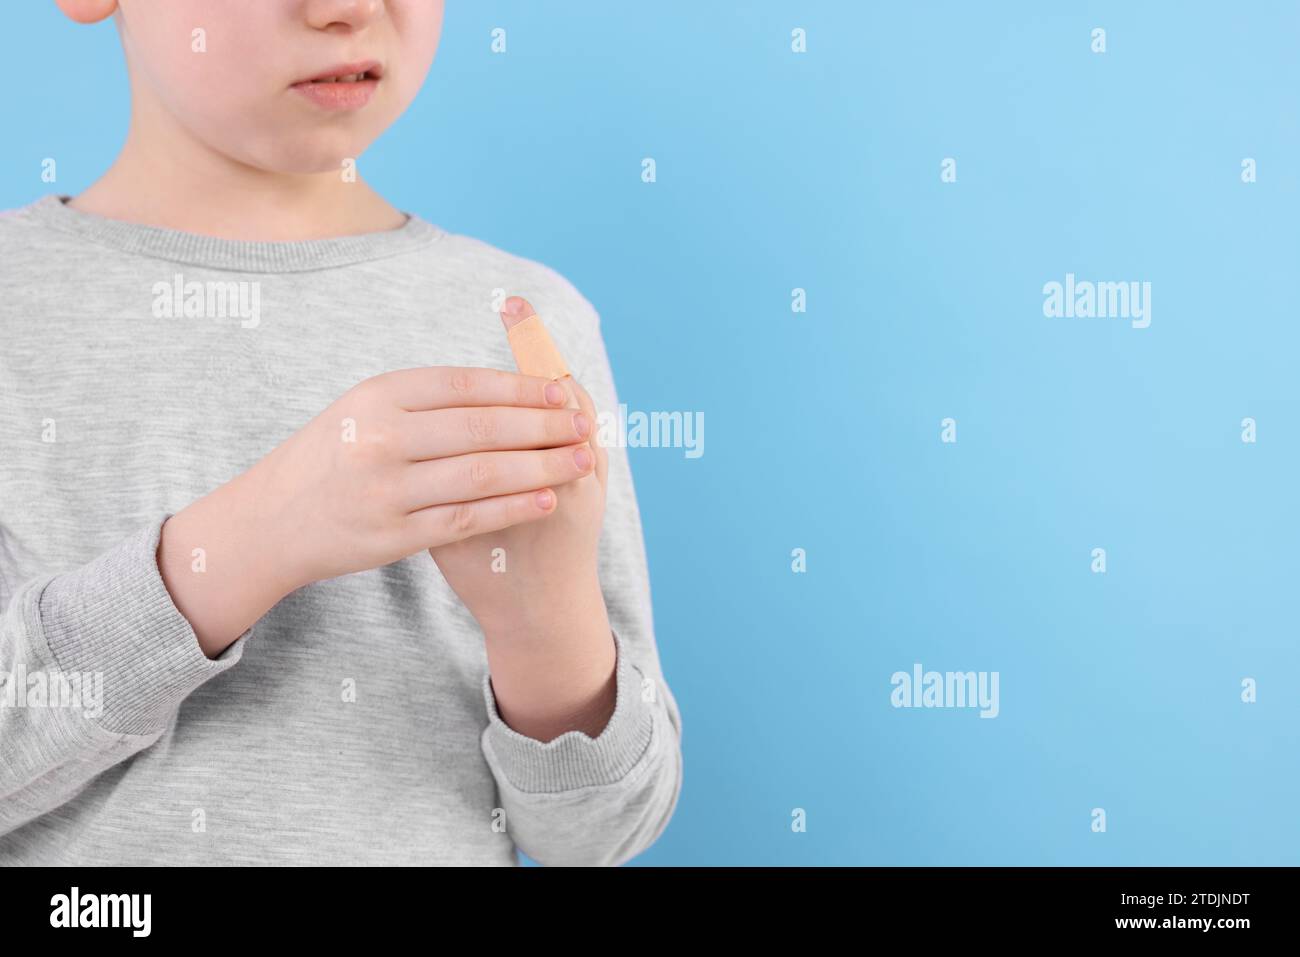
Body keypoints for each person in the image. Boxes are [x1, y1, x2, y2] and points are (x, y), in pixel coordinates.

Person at [0, 0, 682, 866]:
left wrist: (544, 622)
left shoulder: (529, 323)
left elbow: (599, 835)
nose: (349, 7)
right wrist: (243, 545)